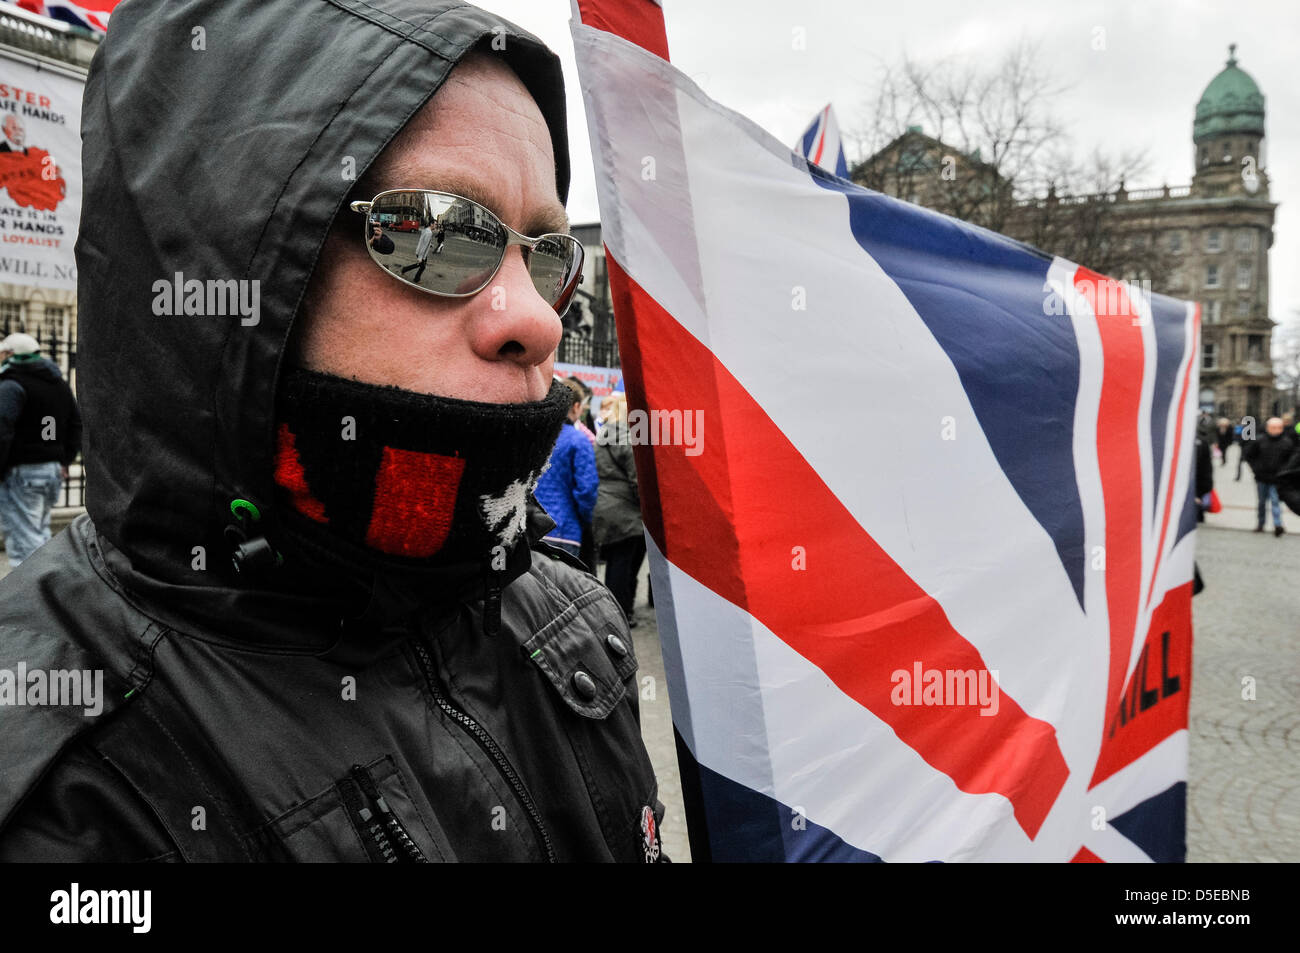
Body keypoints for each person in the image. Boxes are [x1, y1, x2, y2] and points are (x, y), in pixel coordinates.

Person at [0, 0, 664, 863]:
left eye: (545, 254)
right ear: (232, 259)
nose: (538, 319)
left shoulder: (568, 612)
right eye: (438, 230)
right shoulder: (66, 792)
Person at [0, 332, 81, 567]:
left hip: (21, 474)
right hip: (51, 471)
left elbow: (2, 429)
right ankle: (50, 592)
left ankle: (33, 600)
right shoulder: (58, 384)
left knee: (25, 546)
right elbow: (75, 424)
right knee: (40, 536)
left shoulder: (11, 385)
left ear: (11, 355)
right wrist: (64, 459)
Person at [594, 393, 646, 627]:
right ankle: (621, 612)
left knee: (616, 561)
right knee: (624, 565)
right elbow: (638, 481)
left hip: (603, 504)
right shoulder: (627, 439)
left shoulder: (601, 437)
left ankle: (613, 609)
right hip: (625, 510)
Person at [533, 378, 598, 562]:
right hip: (565, 528)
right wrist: (585, 519)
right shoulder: (579, 440)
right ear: (576, 406)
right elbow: (587, 489)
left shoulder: (538, 436)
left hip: (532, 528)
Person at [1242, 417, 1291, 537]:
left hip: (1277, 479)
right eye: (1273, 428)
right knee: (1262, 502)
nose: (1276, 430)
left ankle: (1277, 524)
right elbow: (1249, 455)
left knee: (1275, 502)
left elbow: (1291, 461)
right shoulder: (1259, 441)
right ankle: (1260, 523)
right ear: (1268, 428)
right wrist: (1255, 469)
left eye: (1278, 428)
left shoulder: (1287, 443)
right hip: (1262, 477)